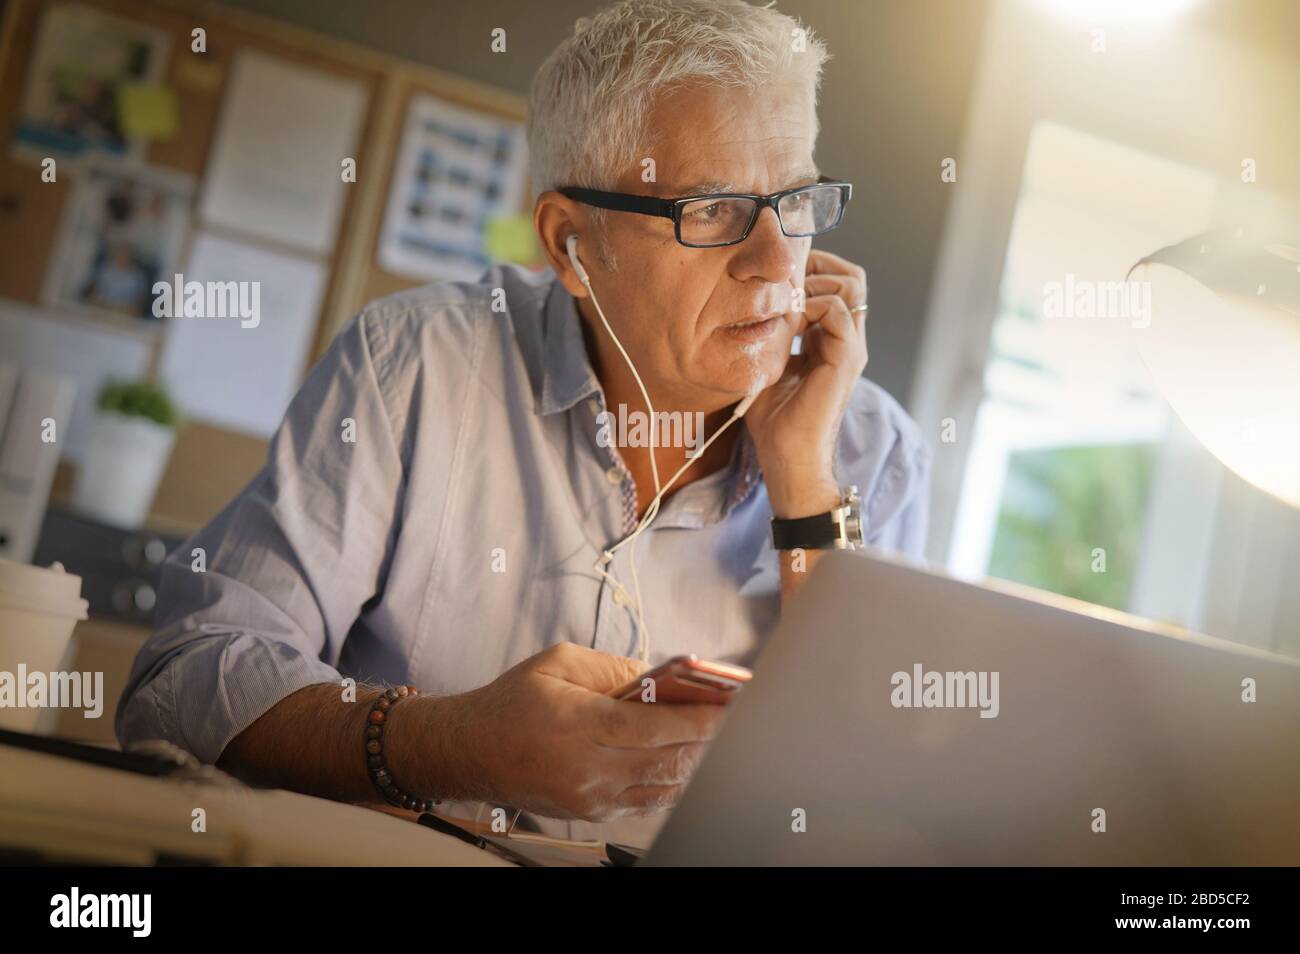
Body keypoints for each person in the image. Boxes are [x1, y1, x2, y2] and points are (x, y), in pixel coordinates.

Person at [117, 0, 931, 845]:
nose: (774, 264)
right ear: (574, 245)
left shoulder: (878, 453)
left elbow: (879, 809)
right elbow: (181, 684)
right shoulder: (416, 365)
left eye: (795, 198)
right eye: (714, 210)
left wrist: (807, 487)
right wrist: (453, 742)